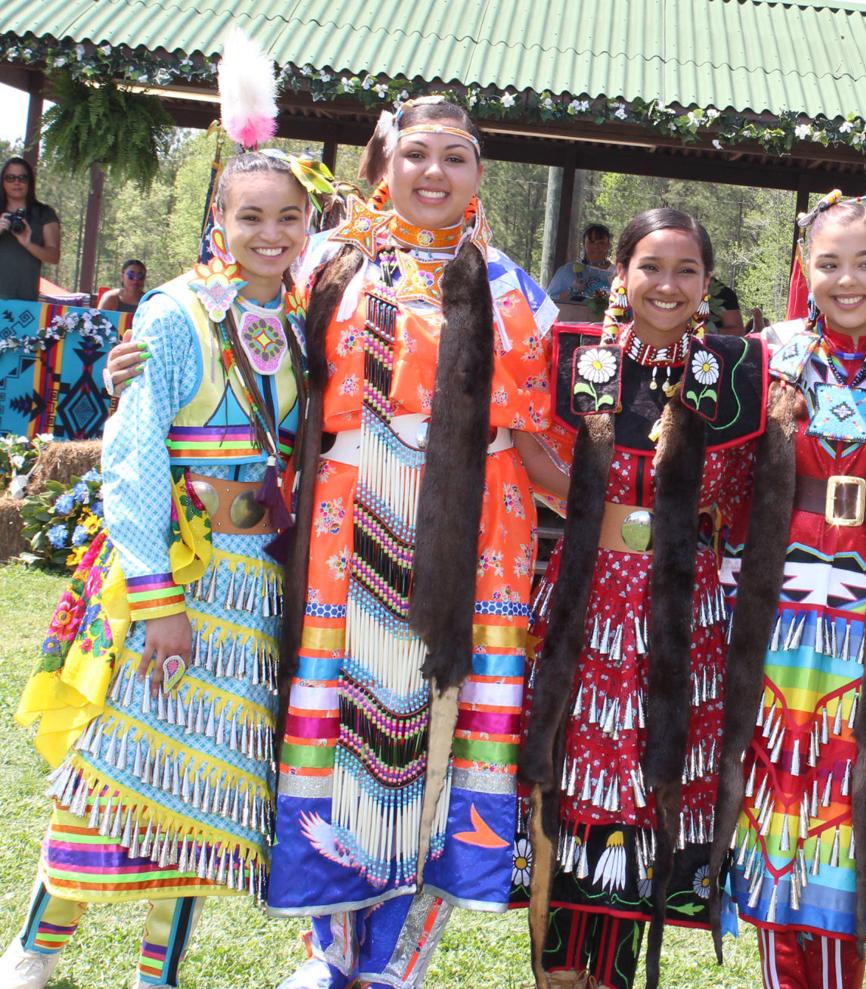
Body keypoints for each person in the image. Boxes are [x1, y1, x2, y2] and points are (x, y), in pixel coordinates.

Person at [267, 97, 558, 989]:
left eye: (457, 157)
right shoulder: (327, 264)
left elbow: (550, 438)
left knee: (443, 730)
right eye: (417, 154)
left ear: (480, 174)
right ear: (385, 165)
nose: (435, 173)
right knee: (347, 728)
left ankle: (397, 958)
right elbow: (248, 349)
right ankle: (330, 951)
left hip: (478, 536)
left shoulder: (514, 288)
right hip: (345, 532)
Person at [2, 148, 310, 989]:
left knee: (206, 788)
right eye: (250, 215)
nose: (269, 233)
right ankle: (35, 946)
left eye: (287, 216)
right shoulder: (178, 314)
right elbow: (133, 461)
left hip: (253, 586)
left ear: (308, 226)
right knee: (112, 768)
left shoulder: (299, 323)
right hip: (174, 569)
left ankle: (157, 975)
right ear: (218, 220)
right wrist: (157, 598)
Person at [515, 207, 793, 989]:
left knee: (650, 790)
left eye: (685, 271)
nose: (666, 285)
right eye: (650, 267)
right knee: (571, 790)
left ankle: (613, 974)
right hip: (588, 602)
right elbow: (523, 441)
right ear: (621, 274)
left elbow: (744, 497)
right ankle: (556, 972)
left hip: (684, 615)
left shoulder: (738, 376)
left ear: (706, 284)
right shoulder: (575, 357)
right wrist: (596, 505)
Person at [710, 192, 866, 989]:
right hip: (778, 614)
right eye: (830, 262)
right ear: (803, 268)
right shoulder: (768, 352)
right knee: (776, 803)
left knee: (858, 803)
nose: (847, 279)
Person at [0, 156, 61, 301]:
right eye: (10, 178)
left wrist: (28, 243)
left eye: (23, 177)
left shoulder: (44, 213)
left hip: (25, 298)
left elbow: (54, 256)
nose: (17, 182)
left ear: (30, 182)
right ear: (2, 181)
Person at [546, 223, 615, 303]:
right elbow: (550, 302)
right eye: (591, 242)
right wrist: (572, 290)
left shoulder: (617, 274)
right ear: (584, 245)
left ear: (609, 245)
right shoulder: (568, 270)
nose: (596, 246)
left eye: (601, 242)